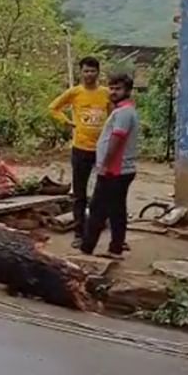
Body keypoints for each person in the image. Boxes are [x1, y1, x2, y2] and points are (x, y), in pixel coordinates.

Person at [48, 56, 110, 249]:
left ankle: (96, 229)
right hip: (80, 149)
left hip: (103, 150)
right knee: (79, 194)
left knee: (102, 192)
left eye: (92, 71)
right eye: (85, 71)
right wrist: (67, 122)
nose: (89, 74)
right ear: (81, 73)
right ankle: (78, 232)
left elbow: (115, 114)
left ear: (98, 72)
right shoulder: (74, 92)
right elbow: (53, 108)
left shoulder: (106, 93)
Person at [80, 73, 139, 260]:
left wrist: (104, 165)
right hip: (121, 169)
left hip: (115, 169)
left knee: (97, 209)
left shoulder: (123, 113)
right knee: (116, 210)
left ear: (127, 90)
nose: (113, 92)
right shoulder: (124, 110)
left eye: (118, 89)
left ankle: (87, 248)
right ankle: (115, 248)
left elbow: (117, 138)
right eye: (111, 88)